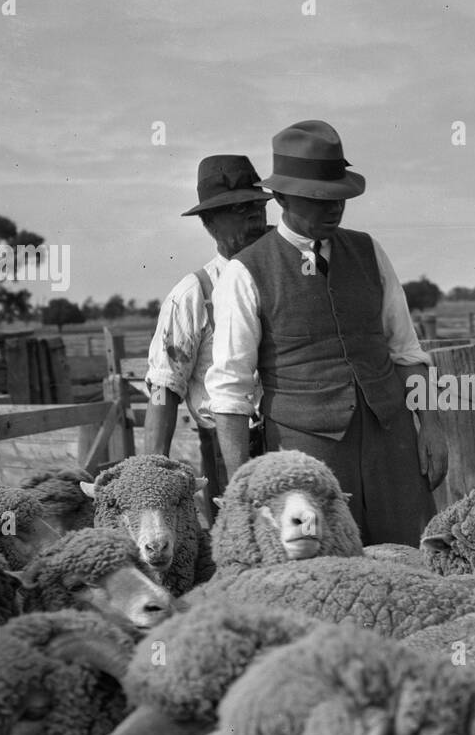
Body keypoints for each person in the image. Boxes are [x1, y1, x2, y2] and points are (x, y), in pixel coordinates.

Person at [206, 120, 447, 545]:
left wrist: (430, 426)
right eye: (319, 199)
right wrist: (242, 485)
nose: (334, 208)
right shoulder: (246, 272)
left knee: (415, 559)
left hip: (393, 447)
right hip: (306, 455)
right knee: (324, 573)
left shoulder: (369, 251)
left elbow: (406, 351)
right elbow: (230, 390)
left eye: (340, 197)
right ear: (280, 197)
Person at [143, 155, 272, 523]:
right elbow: (164, 386)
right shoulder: (193, 294)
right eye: (237, 208)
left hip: (289, 441)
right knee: (238, 553)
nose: (253, 216)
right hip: (227, 448)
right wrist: (150, 478)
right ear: (209, 222)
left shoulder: (285, 278)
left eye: (258, 205)